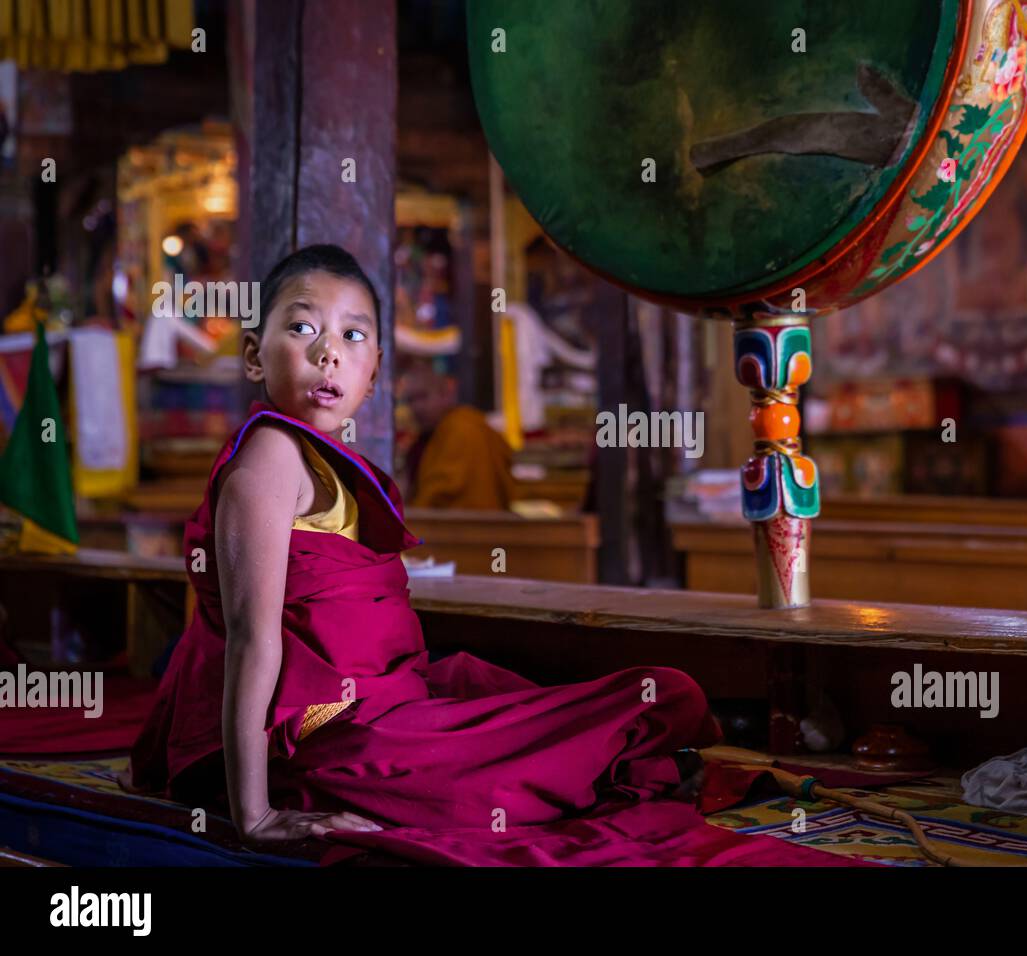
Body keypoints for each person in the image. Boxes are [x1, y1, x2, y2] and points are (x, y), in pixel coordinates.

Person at [124, 245, 725, 852]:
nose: (327, 351)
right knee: (598, 726)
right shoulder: (269, 458)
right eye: (302, 326)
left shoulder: (327, 459)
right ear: (254, 354)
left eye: (352, 335)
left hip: (386, 702)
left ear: (375, 371)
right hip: (327, 741)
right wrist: (252, 814)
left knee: (630, 698)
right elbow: (252, 640)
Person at [400, 363, 515, 510]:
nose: (417, 407)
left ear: (445, 395)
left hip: (467, 529)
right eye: (411, 400)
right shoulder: (431, 436)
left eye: (423, 396)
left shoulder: (464, 430)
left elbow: (439, 495)